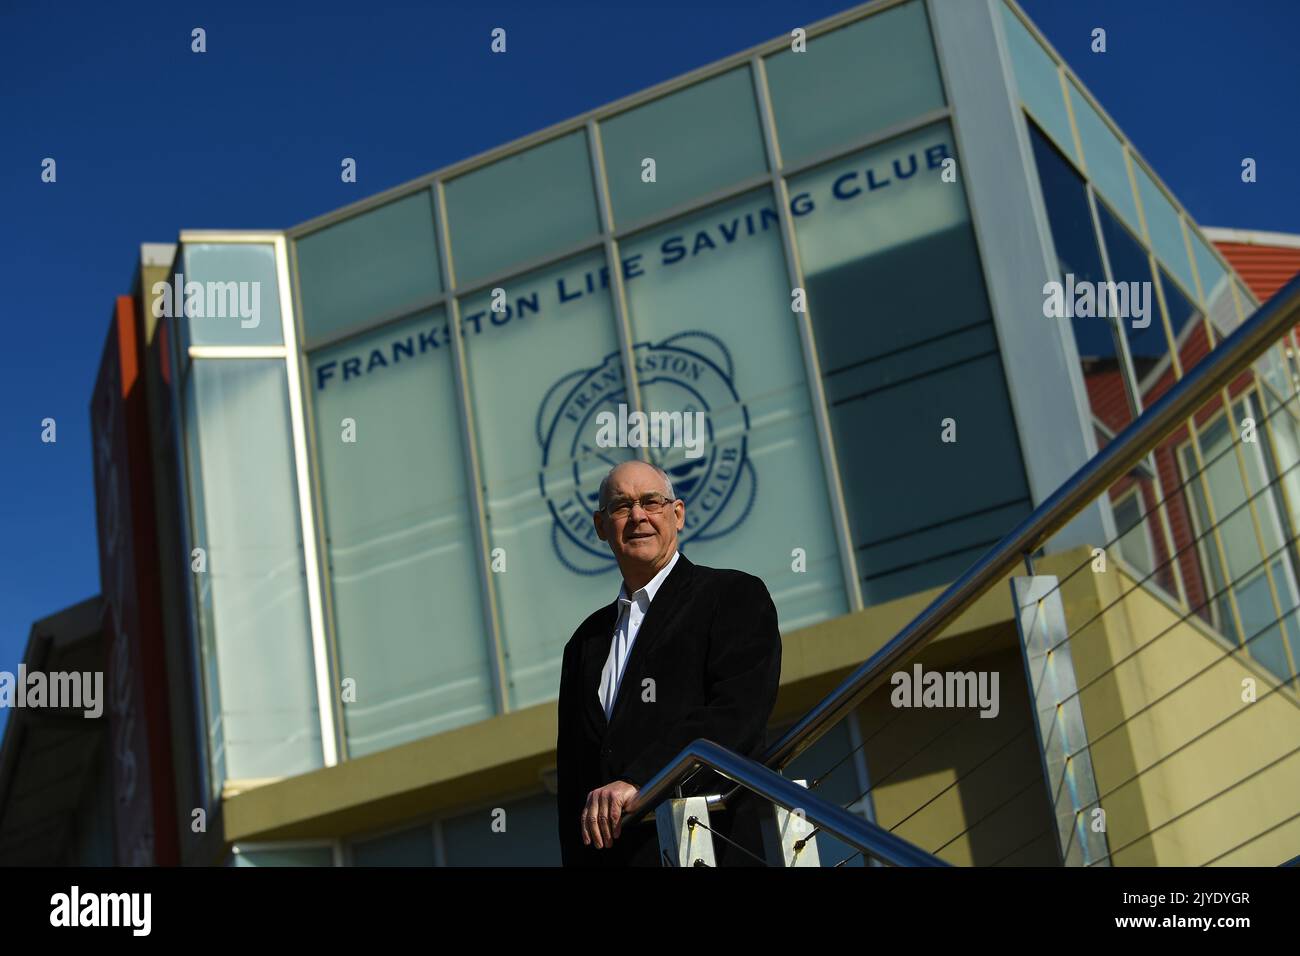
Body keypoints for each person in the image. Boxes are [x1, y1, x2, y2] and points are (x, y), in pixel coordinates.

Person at [555, 459, 782, 866]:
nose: (638, 515)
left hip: (712, 848)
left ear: (677, 515)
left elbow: (737, 716)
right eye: (621, 506)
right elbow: (574, 779)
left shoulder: (731, 596)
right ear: (600, 526)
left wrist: (641, 779)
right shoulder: (584, 643)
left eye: (651, 502)